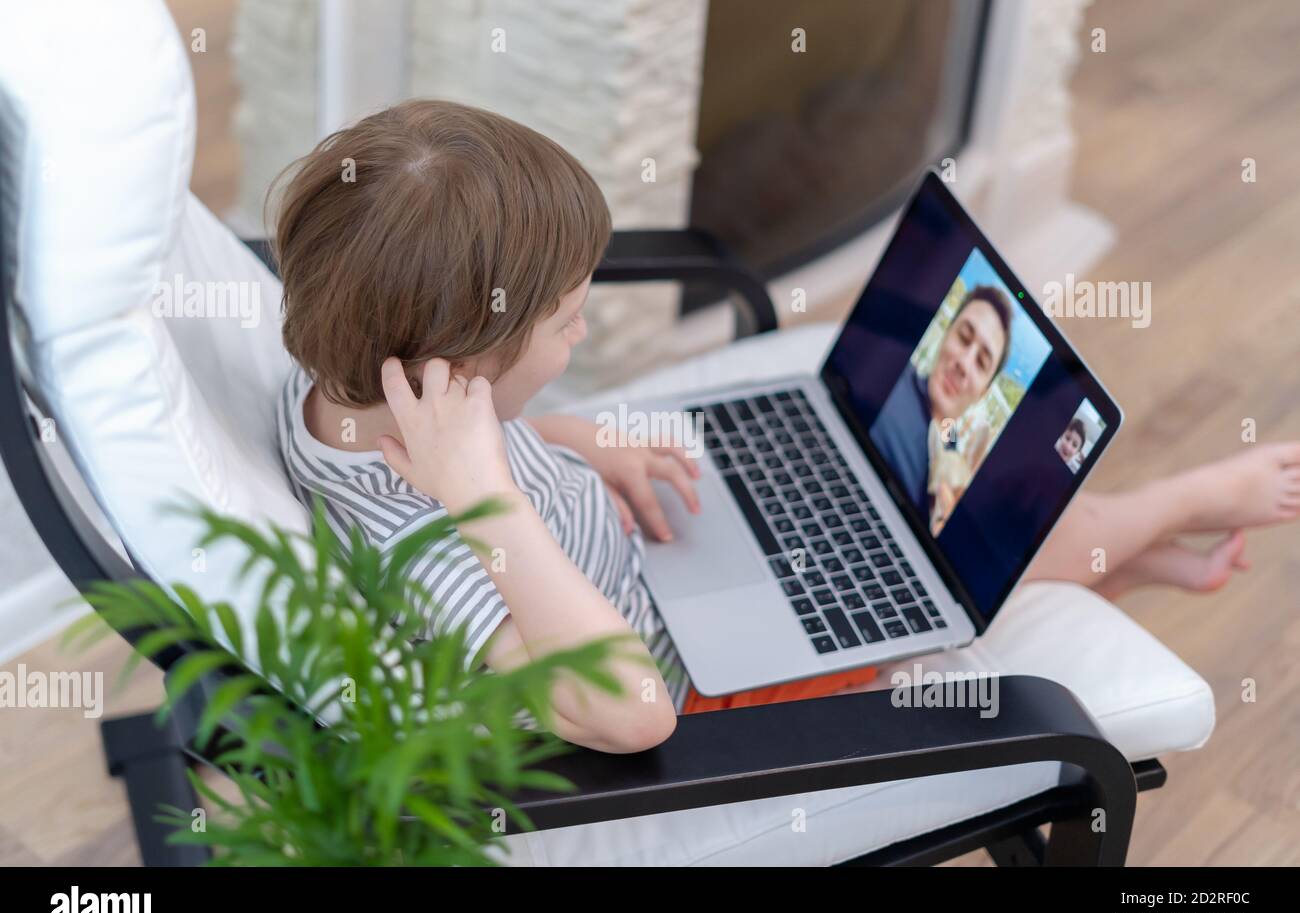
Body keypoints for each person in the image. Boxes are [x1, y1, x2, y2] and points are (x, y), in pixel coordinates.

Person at [275, 100, 1300, 751]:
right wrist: (490, 495)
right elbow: (631, 712)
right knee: (936, 535)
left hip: (643, 559)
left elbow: (495, 439)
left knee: (887, 508)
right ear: (450, 372)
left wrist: (575, 444)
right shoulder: (421, 540)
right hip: (701, 682)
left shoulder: (356, 396)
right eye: (565, 319)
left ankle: (1121, 557)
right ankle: (1172, 511)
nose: (582, 327)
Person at [869, 286, 1012, 531]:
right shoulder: (892, 378)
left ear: (983, 394)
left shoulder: (954, 451)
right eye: (964, 338)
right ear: (946, 334)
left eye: (981, 363)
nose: (964, 364)